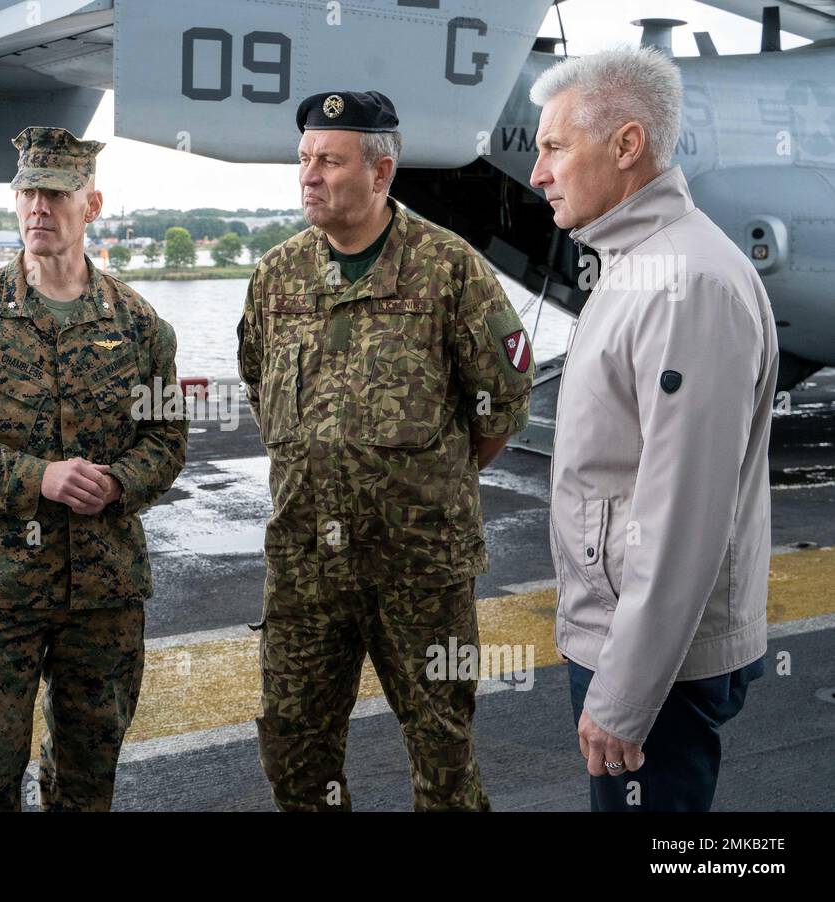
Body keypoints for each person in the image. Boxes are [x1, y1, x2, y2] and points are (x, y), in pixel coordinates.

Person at [237, 90, 535, 811]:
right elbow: (257, 381)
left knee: (443, 757)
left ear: (381, 172)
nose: (308, 174)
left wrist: (433, 482)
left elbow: (502, 400)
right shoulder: (277, 277)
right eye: (305, 158)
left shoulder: (447, 270)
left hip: (421, 569)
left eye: (330, 161)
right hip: (306, 568)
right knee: (294, 752)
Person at [0, 126, 188, 811]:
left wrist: (121, 482)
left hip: (104, 591)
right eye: (28, 191)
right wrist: (38, 477)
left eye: (55, 193)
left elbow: (166, 438)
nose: (38, 207)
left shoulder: (138, 324)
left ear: (89, 206)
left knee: (89, 777)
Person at [529, 47, 777, 811]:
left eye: (554, 148)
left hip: (656, 660)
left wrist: (626, 692)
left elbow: (683, 514)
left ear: (627, 145)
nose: (539, 174)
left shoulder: (683, 284)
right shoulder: (638, 263)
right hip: (633, 638)